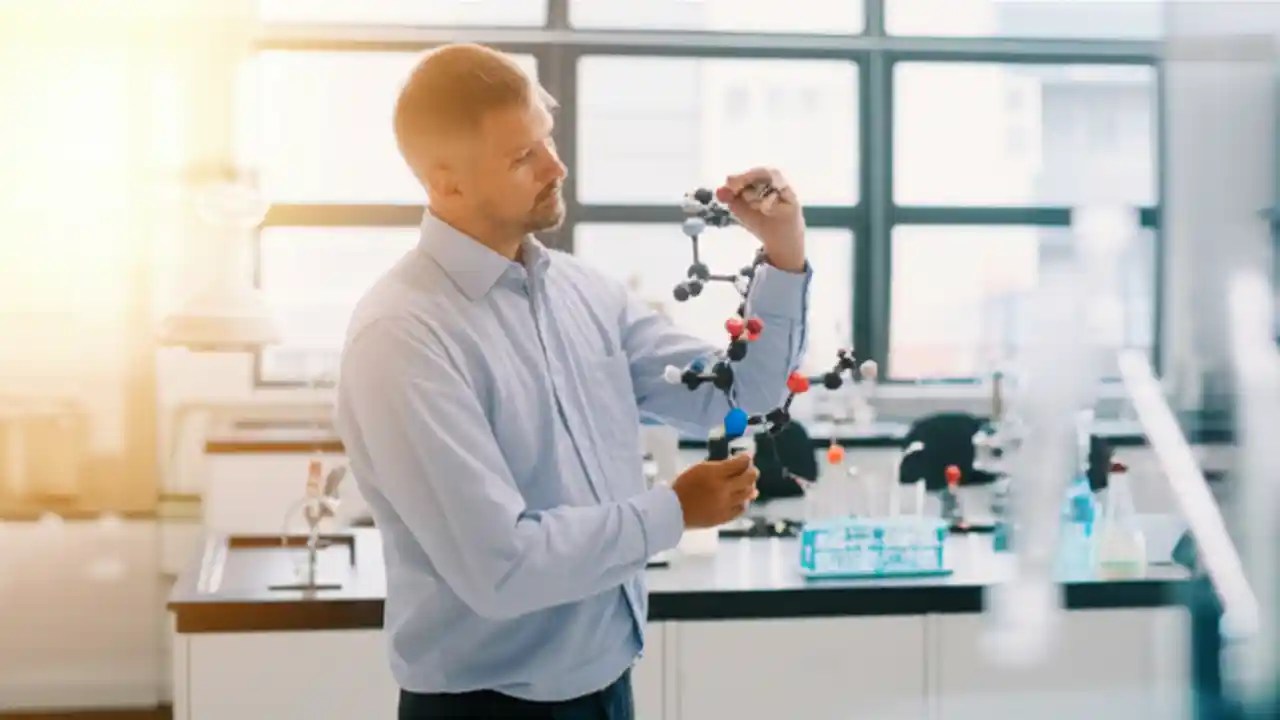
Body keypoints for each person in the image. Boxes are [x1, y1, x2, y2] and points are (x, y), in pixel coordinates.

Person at [334, 43, 812, 719]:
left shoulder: (585, 293)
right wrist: (673, 511)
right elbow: (503, 567)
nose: (557, 166)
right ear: (448, 184)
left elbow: (739, 392)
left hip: (608, 688)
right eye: (522, 156)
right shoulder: (403, 335)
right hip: (483, 708)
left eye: (547, 138)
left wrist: (783, 249)